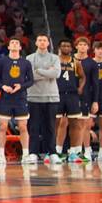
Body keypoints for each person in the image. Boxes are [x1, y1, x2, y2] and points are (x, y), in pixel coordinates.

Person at [0, 37, 33, 165]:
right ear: (8, 47)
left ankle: (26, 154)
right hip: (5, 99)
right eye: (12, 43)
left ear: (20, 48)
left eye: (17, 43)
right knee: (3, 126)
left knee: (23, 127)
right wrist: (3, 86)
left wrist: (21, 86)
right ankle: (0, 155)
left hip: (20, 99)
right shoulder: (1, 62)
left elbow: (31, 81)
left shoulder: (26, 63)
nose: (15, 44)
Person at [27, 34, 60, 164]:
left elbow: (56, 73)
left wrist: (38, 71)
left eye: (44, 40)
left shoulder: (55, 58)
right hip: (34, 96)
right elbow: (30, 76)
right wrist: (47, 71)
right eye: (39, 40)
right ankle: (33, 153)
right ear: (36, 42)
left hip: (51, 97)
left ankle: (52, 153)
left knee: (50, 127)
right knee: (34, 127)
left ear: (48, 43)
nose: (42, 42)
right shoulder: (29, 58)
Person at [57, 38, 89, 162]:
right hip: (58, 95)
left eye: (68, 46)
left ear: (71, 48)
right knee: (57, 123)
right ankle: (56, 151)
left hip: (72, 95)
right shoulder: (55, 61)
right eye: (63, 45)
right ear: (59, 48)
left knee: (74, 123)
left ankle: (74, 151)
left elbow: (82, 77)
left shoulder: (76, 62)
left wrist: (80, 87)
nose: (66, 47)